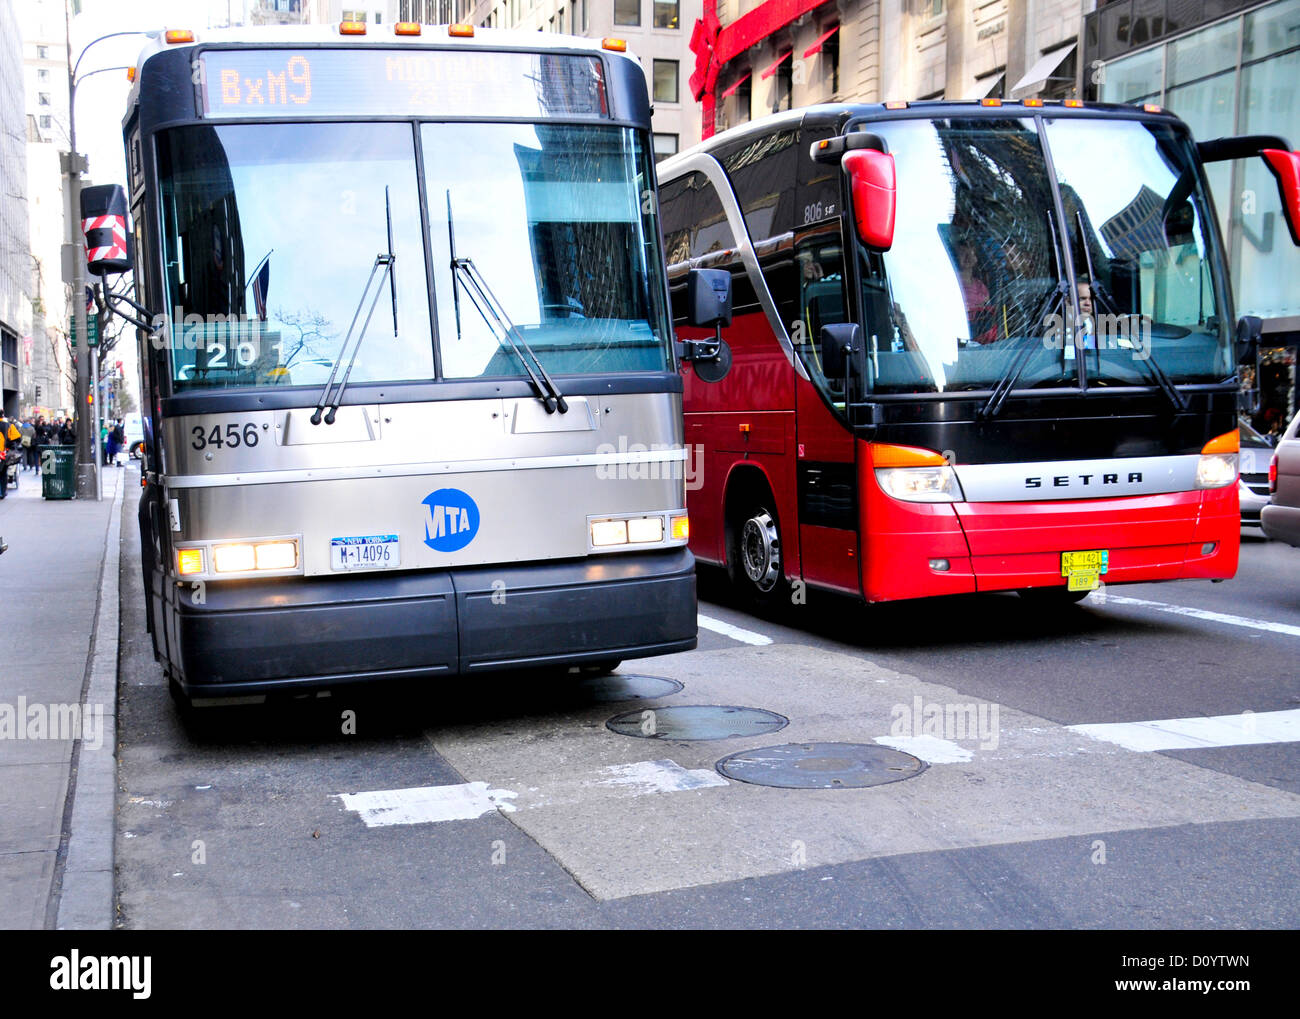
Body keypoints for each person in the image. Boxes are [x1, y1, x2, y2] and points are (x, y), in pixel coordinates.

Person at [0, 412, 21, 499]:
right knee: (3, 473)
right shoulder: (8, 425)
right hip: (4, 453)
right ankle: (2, 492)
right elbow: (17, 438)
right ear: (3, 416)